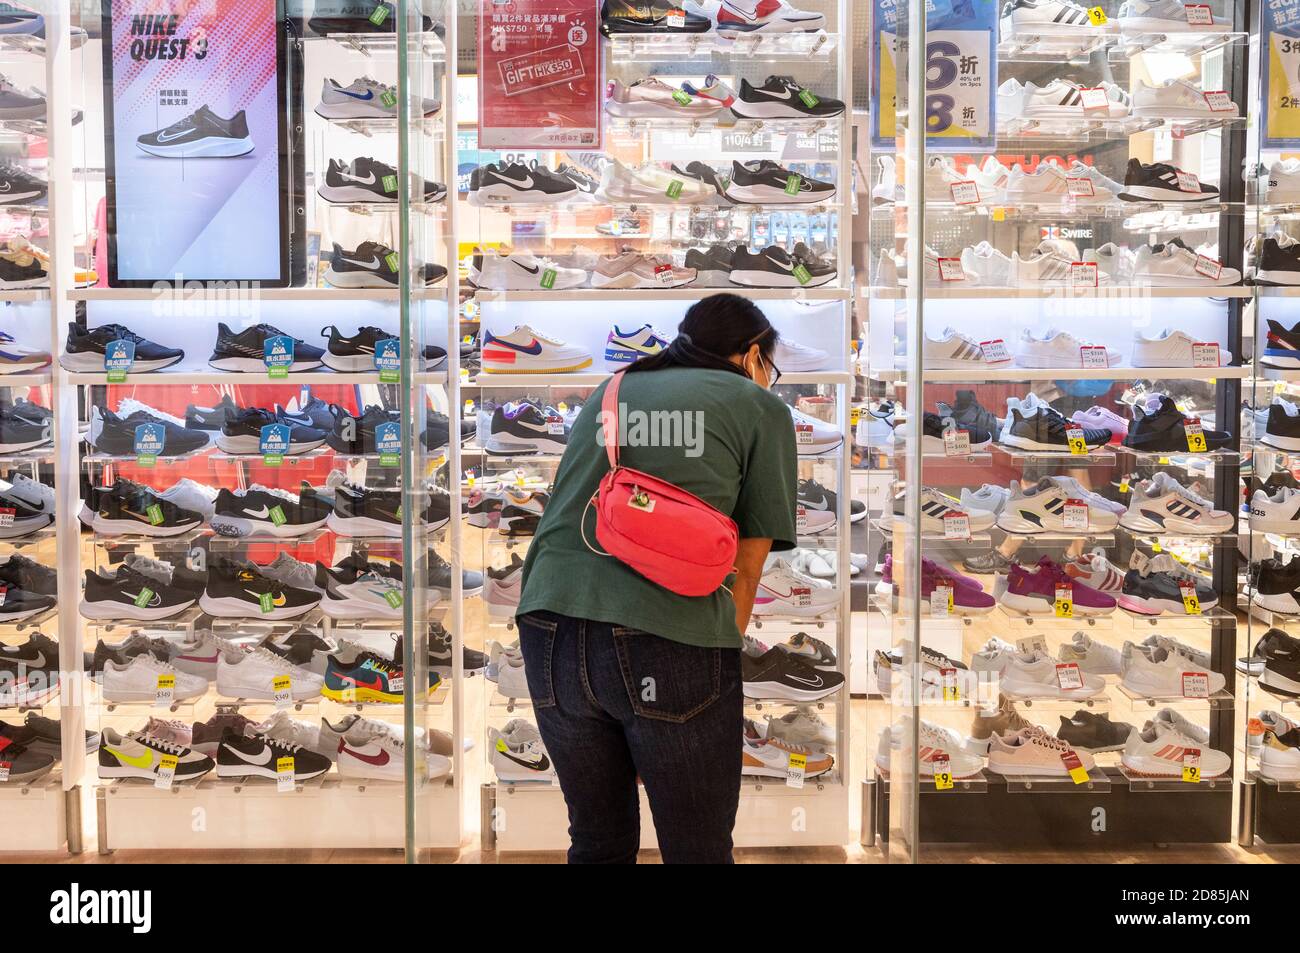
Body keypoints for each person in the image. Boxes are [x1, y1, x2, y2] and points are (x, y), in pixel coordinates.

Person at [514, 293, 798, 864]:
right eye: (769, 364)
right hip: (669, 633)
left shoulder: (612, 389)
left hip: (550, 627)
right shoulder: (758, 407)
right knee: (696, 845)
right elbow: (748, 562)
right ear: (749, 356)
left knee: (597, 838)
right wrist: (718, 656)